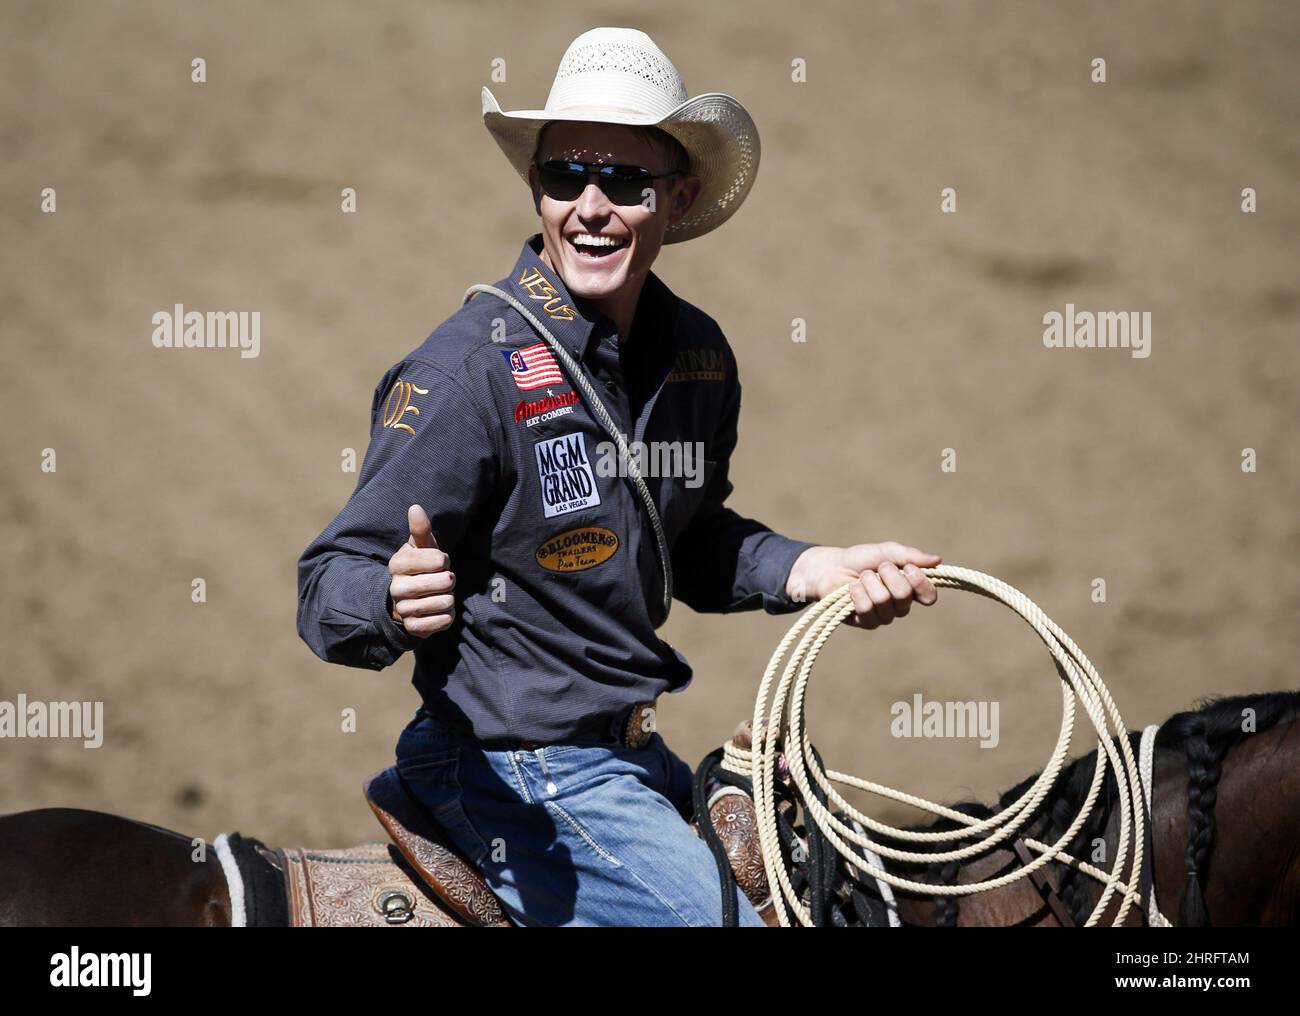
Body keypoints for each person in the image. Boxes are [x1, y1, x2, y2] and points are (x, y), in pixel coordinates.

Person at [297, 27, 941, 927]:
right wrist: (390, 601)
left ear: (678, 199)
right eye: (566, 177)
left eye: (626, 182)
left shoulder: (698, 359)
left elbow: (686, 540)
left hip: (631, 757)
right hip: (511, 766)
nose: (590, 207)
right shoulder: (467, 375)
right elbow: (326, 586)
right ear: (536, 186)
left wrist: (812, 569)